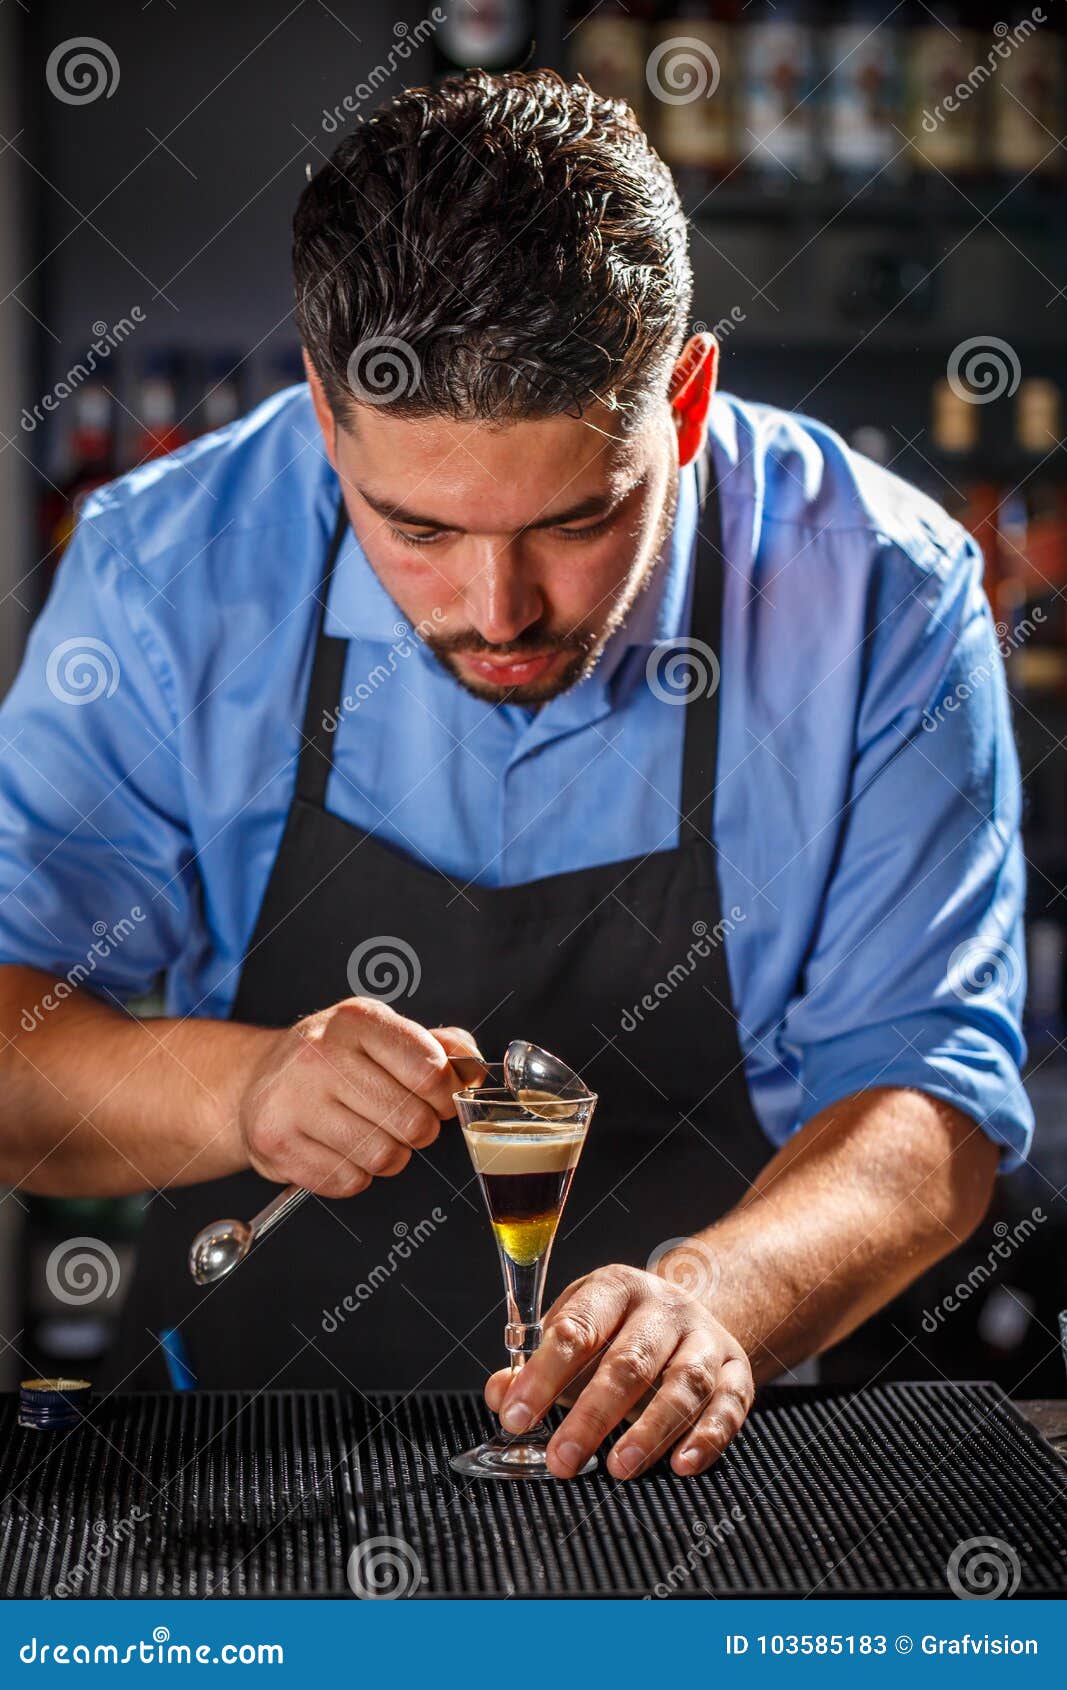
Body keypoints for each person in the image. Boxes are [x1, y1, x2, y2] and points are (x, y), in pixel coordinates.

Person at [0, 70, 1031, 1483]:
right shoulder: (167, 573)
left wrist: (712, 1303)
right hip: (237, 1448)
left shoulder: (880, 596)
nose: (497, 609)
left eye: (577, 520)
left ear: (686, 392)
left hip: (710, 1460)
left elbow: (930, 1100)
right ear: (324, 411)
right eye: (414, 527)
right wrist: (245, 1094)